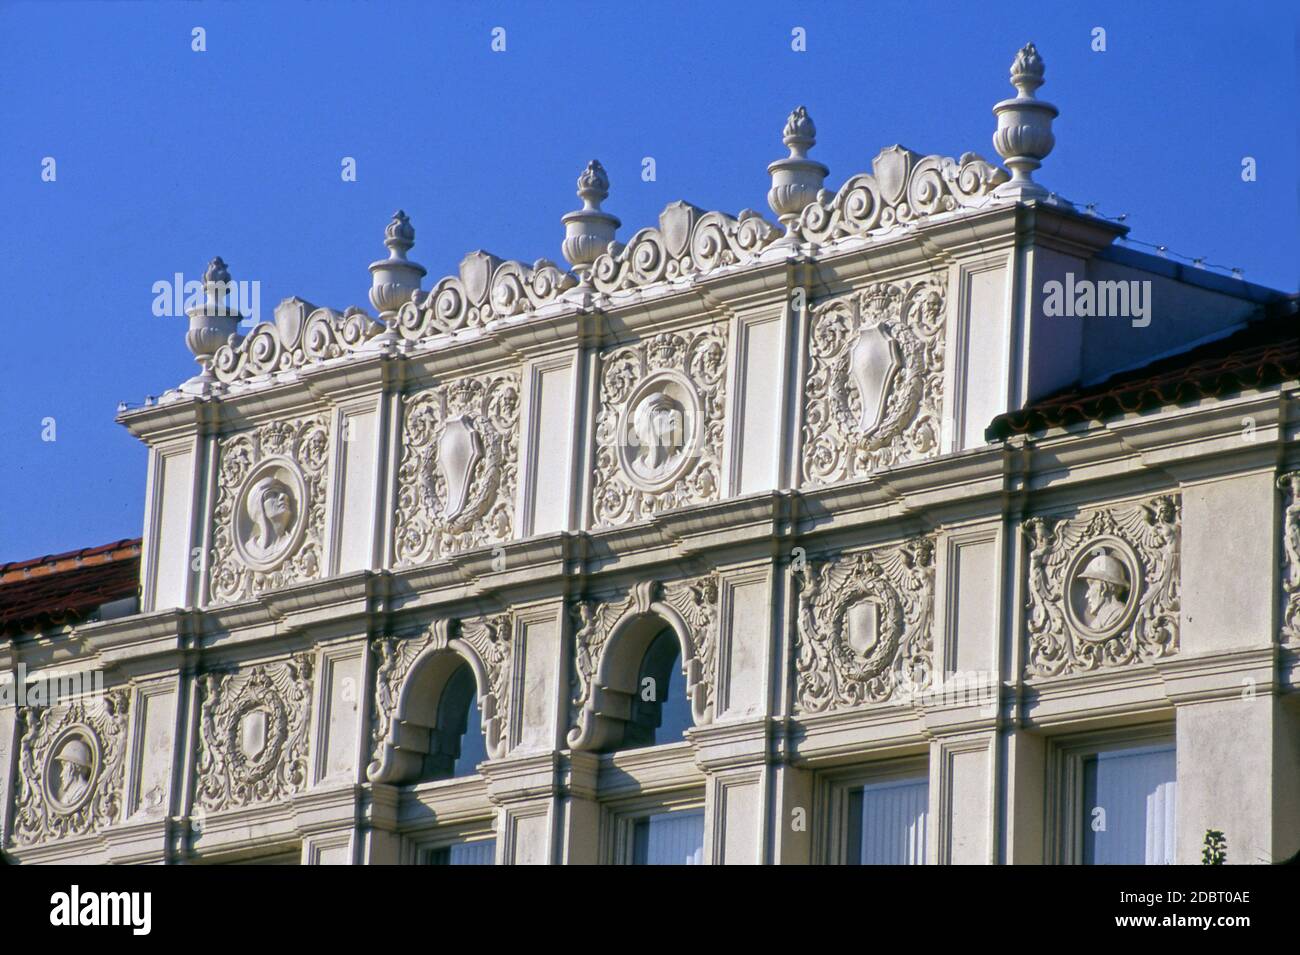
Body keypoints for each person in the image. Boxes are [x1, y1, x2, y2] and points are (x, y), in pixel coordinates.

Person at [1078, 547, 1129, 631]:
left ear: (1104, 587)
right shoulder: (1097, 623)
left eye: (1090, 586)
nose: (1087, 595)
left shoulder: (1119, 613)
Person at [245, 476, 293, 559]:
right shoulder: (250, 549)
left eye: (283, 493)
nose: (284, 496)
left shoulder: (289, 541)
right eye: (273, 494)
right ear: (258, 505)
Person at [52, 737, 93, 807]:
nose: (61, 775)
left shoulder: (83, 790)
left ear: (75, 767)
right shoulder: (66, 796)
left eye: (65, 766)